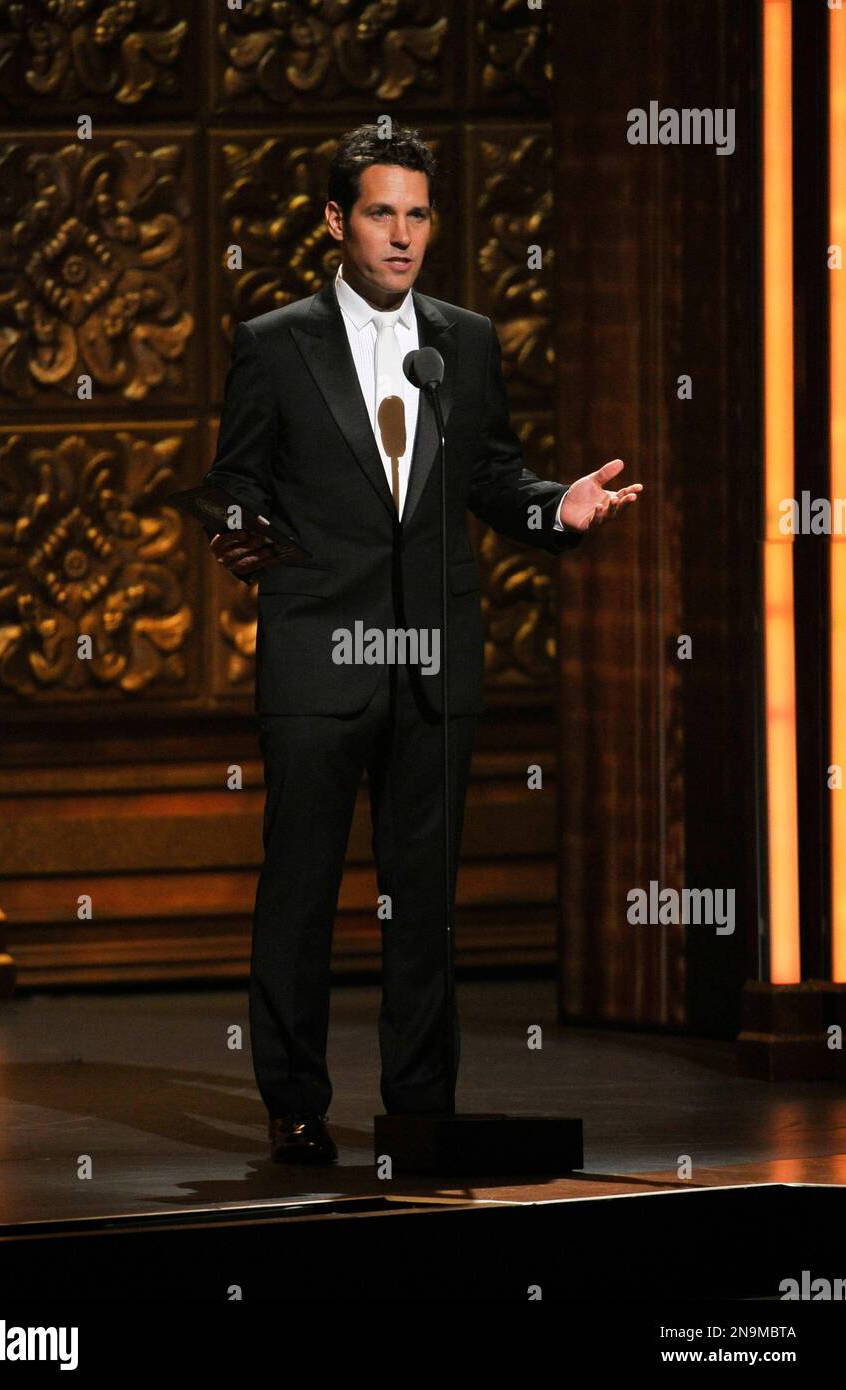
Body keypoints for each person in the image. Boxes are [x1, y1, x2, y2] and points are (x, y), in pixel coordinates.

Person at [202, 125, 642, 1164]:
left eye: (417, 215)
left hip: (432, 660)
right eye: (380, 213)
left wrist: (555, 508)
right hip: (320, 654)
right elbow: (235, 483)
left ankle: (419, 1108)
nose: (401, 236)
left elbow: (490, 474)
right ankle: (295, 1104)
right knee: (300, 894)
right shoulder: (275, 342)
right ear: (335, 221)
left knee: (426, 906)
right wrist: (247, 537)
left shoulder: (465, 341)